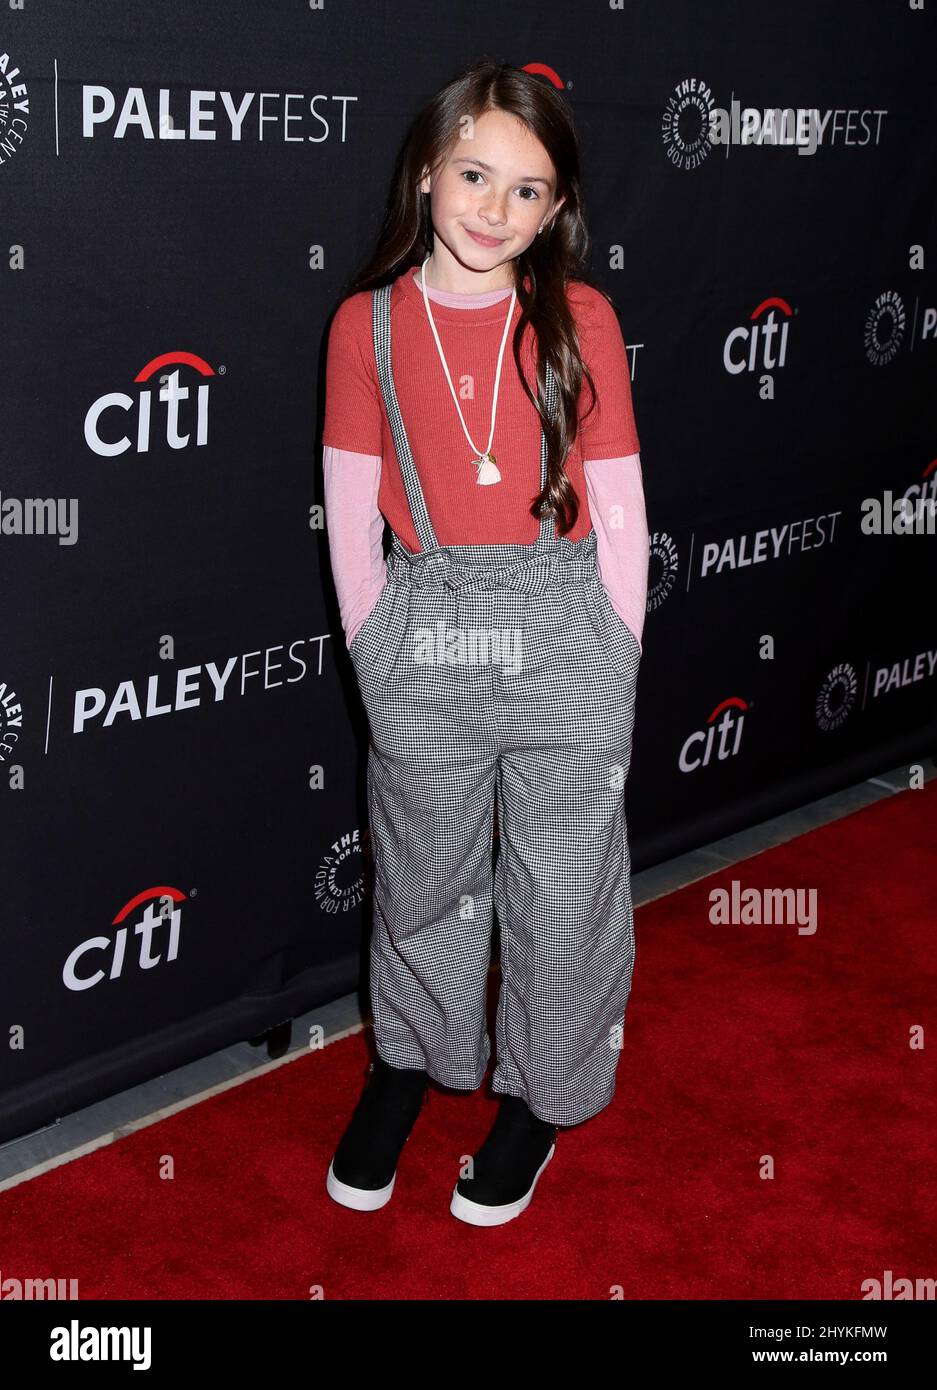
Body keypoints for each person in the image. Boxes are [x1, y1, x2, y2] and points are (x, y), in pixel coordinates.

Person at [321, 59, 647, 1227]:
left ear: (555, 209)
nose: (491, 208)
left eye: (527, 190)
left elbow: (620, 510)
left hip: (566, 624)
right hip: (427, 628)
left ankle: (541, 1100)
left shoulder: (582, 319)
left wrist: (614, 649)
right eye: (473, 173)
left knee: (562, 894)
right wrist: (376, 647)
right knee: (421, 878)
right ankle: (405, 1063)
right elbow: (350, 510)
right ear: (427, 171)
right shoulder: (364, 325)